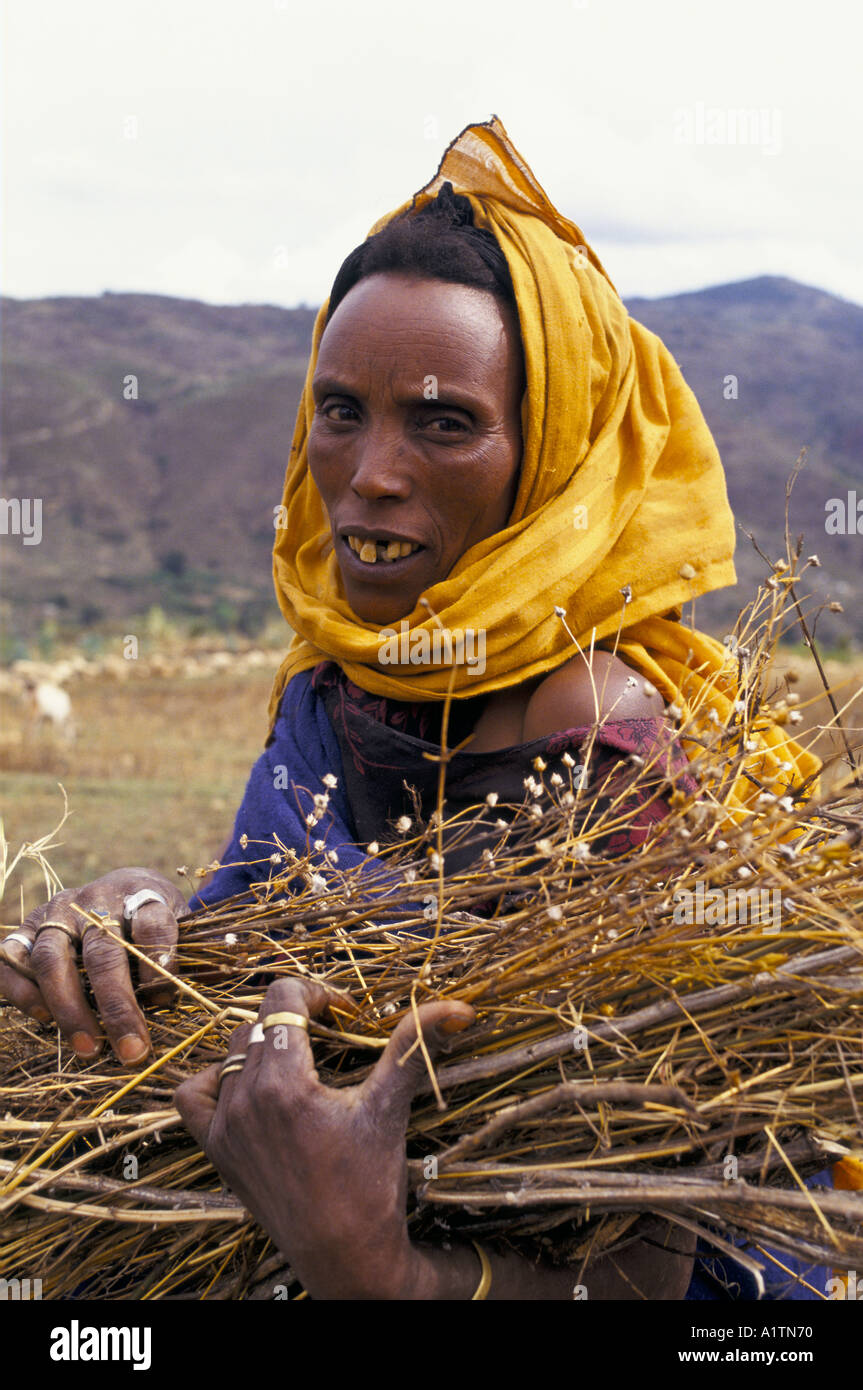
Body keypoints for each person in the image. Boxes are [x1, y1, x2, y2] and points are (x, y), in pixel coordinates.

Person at [0, 117, 825, 1299]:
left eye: (443, 422)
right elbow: (256, 961)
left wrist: (376, 1271)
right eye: (340, 411)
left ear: (550, 458)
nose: (371, 471)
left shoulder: (605, 750)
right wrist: (141, 912)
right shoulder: (341, 691)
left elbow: (643, 1278)